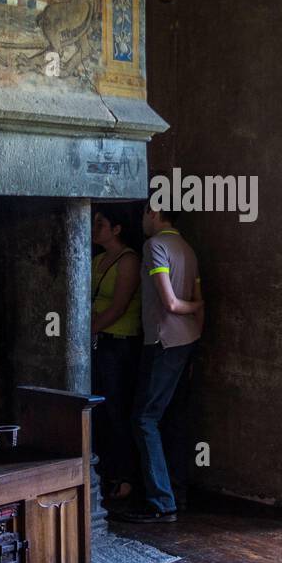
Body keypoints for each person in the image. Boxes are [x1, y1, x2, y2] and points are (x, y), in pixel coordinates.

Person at [116, 204, 203, 523]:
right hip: (188, 342)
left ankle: (161, 503)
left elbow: (170, 303)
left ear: (154, 212)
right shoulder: (188, 248)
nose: (140, 221)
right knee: (174, 418)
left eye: (142, 215)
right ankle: (176, 494)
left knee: (143, 419)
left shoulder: (155, 246)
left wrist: (191, 304)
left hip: (164, 341)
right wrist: (196, 311)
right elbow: (195, 309)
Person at [91, 204, 142, 502]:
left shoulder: (128, 261)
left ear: (117, 228)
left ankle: (126, 478)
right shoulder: (98, 259)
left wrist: (90, 329)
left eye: (101, 223)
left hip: (119, 342)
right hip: (100, 340)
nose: (95, 228)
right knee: (100, 412)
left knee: (117, 411)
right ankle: (106, 472)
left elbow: (119, 305)